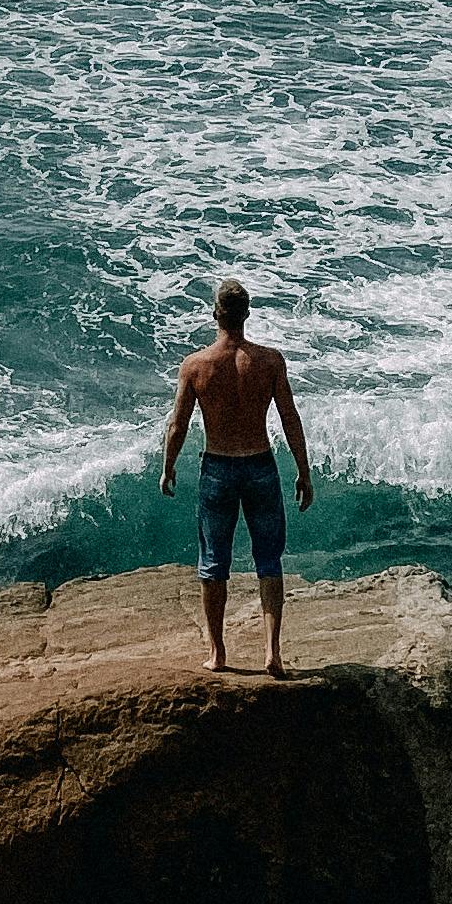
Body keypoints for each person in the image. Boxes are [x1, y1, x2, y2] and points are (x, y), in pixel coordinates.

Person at [160, 279, 314, 676]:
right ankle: (272, 652)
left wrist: (168, 467)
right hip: (260, 464)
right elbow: (289, 418)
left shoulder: (196, 366)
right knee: (268, 560)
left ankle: (218, 653)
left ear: (216, 314)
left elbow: (177, 424)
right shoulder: (270, 361)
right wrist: (303, 470)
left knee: (213, 563)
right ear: (246, 315)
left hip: (218, 468)